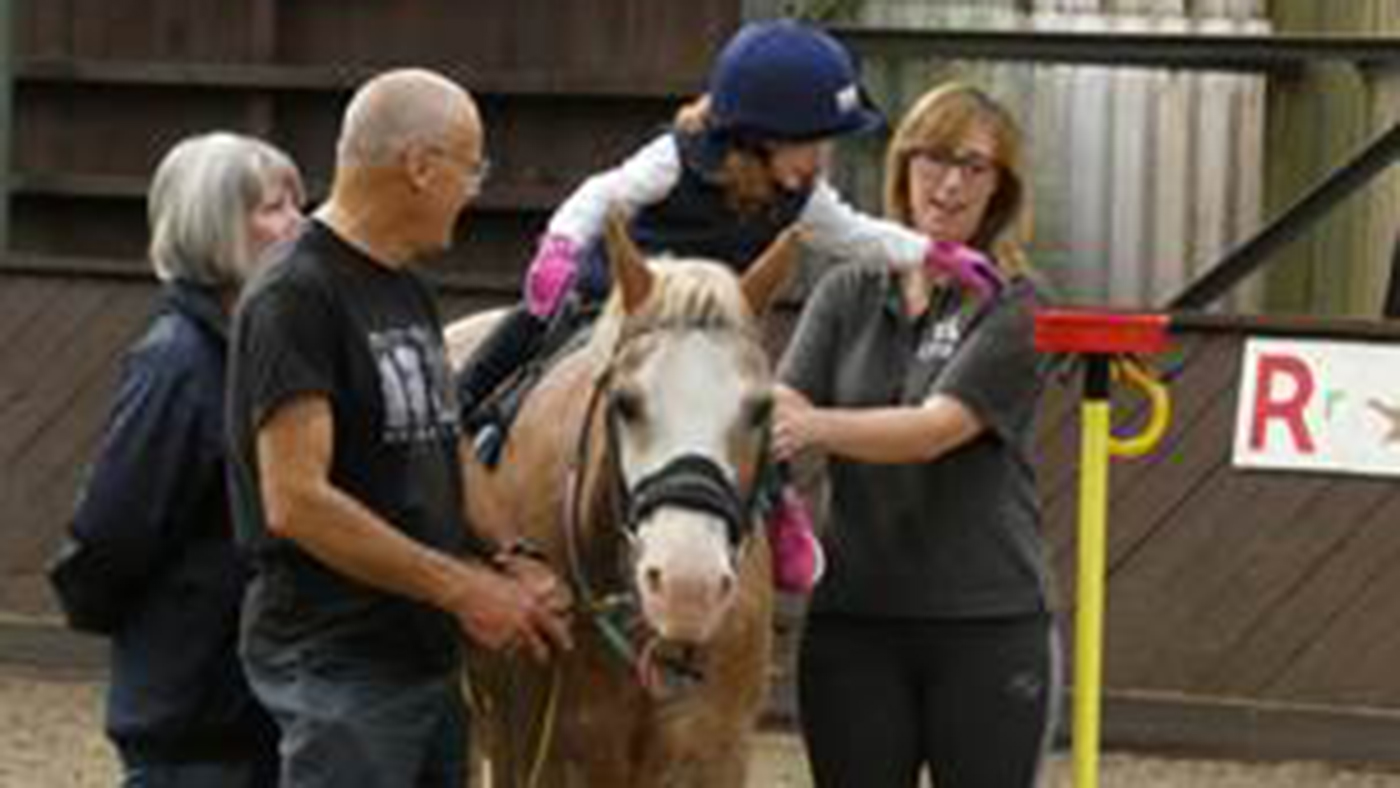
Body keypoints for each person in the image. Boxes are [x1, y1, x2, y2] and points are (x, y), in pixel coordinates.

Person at [454, 18, 1002, 593]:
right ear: (756, 136)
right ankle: (472, 407)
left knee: (748, 396)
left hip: (710, 321)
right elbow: (600, 194)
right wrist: (561, 246)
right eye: (811, 142)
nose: (820, 160)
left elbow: (853, 234)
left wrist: (932, 253)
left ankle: (777, 501)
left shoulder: (799, 193)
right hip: (628, 299)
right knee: (539, 317)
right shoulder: (674, 159)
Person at [225, 68, 572, 788]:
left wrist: (514, 553)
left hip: (420, 653)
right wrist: (464, 591)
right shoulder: (296, 295)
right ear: (419, 166)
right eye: (470, 167)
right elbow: (296, 501)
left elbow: (443, 441)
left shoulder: (403, 284)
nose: (474, 190)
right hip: (339, 666)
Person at [774, 83, 1060, 787]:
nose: (951, 182)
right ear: (903, 167)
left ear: (1002, 188)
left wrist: (812, 426)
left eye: (975, 166)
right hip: (853, 618)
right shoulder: (847, 289)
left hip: (987, 624)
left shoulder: (1017, 303)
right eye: (934, 158)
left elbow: (935, 429)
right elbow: (782, 399)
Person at [64, 131, 305, 787]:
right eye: (272, 208)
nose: (296, 223)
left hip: (253, 699)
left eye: (293, 203)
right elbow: (115, 526)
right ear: (215, 226)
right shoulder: (178, 361)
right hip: (193, 707)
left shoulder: (257, 348)